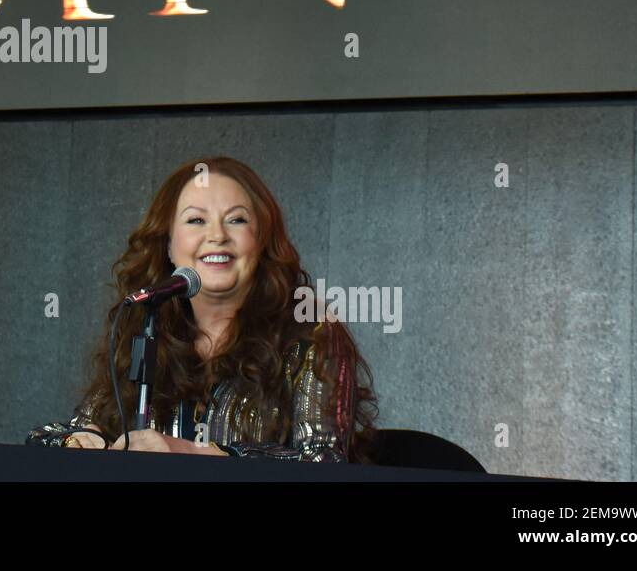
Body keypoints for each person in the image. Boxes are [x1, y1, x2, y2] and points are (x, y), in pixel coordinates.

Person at [27, 156, 378, 461]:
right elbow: (50, 437)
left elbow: (323, 460)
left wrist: (201, 454)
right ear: (167, 243)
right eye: (196, 220)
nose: (217, 236)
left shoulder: (311, 334)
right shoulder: (144, 326)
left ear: (262, 240)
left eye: (236, 220)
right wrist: (77, 441)